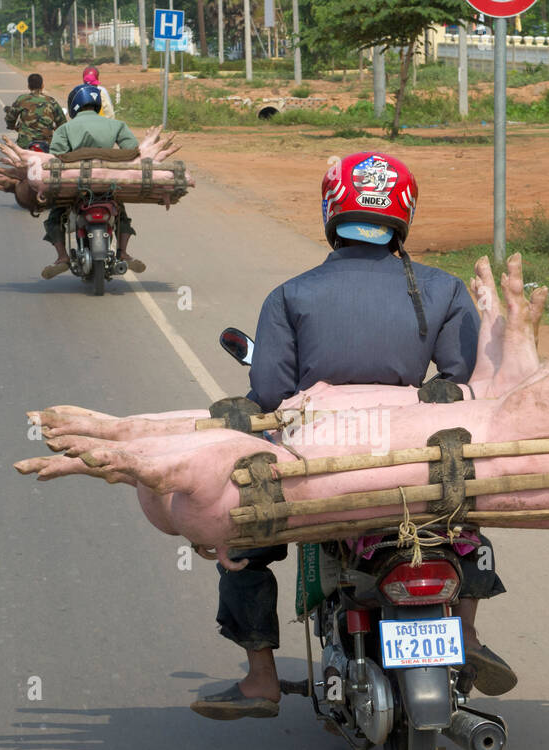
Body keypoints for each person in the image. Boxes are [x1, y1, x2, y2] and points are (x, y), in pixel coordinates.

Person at [191, 152, 516, 721]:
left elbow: (268, 391)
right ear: (404, 213)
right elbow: (462, 381)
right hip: (411, 462)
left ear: (330, 208)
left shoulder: (291, 296)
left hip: (321, 470)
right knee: (465, 511)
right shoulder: (441, 289)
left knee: (243, 548)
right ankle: (465, 629)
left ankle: (262, 678)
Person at [41, 84, 145, 279]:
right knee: (121, 214)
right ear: (97, 104)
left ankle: (62, 257)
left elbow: (56, 155)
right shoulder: (117, 125)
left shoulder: (65, 128)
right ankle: (123, 253)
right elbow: (131, 148)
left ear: (74, 106)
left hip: (76, 186)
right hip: (107, 184)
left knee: (55, 216)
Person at [3, 73, 66, 150]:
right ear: (42, 86)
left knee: (18, 160)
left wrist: (12, 126)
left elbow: (10, 118)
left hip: (25, 144)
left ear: (28, 86)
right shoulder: (51, 101)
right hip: (46, 144)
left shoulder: (22, 99)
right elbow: (62, 123)